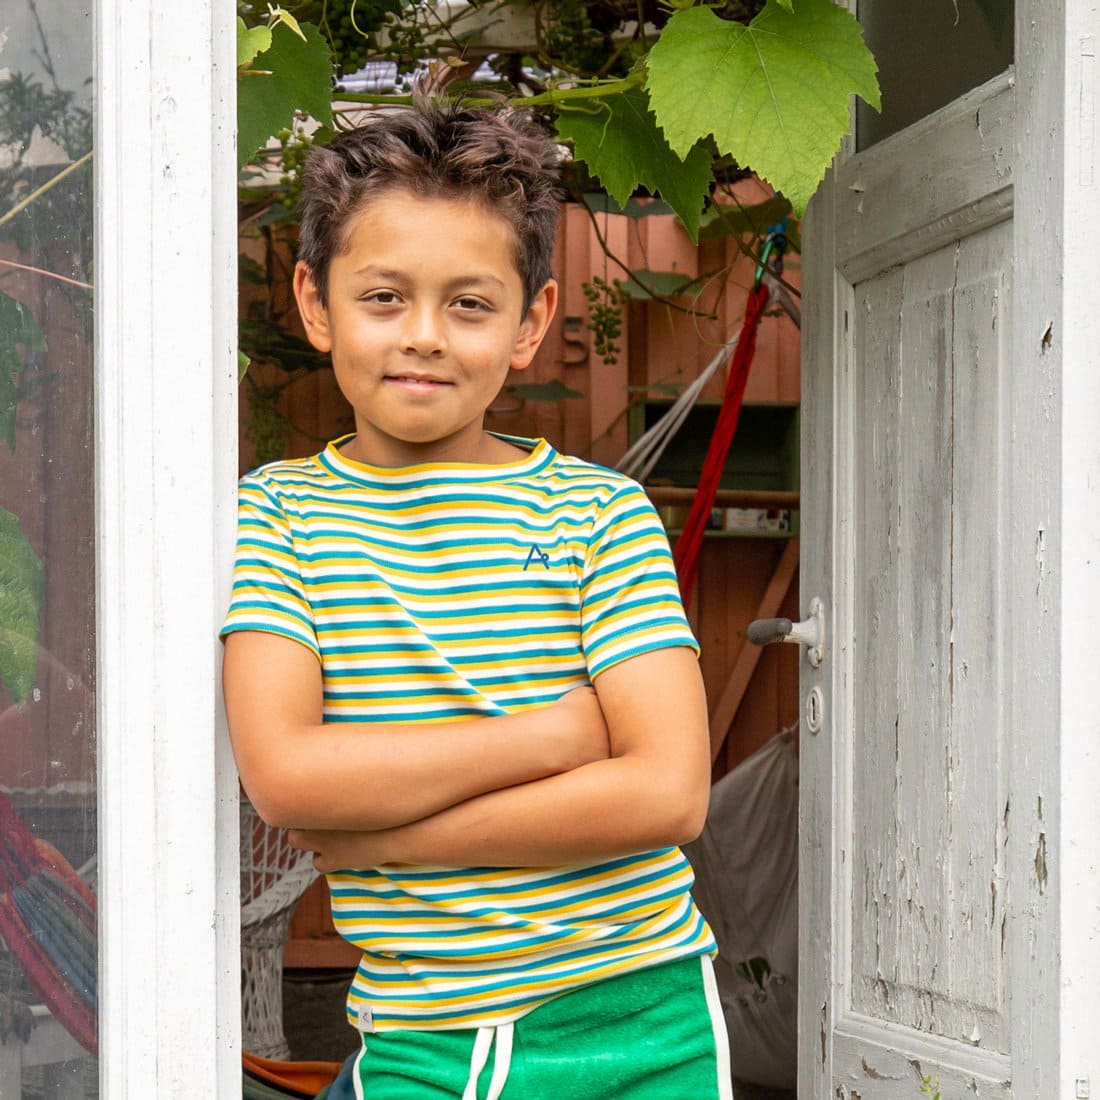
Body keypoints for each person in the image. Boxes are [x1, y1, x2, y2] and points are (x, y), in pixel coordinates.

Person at [221, 94, 730, 1100]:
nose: (424, 335)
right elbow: (288, 777)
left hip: (640, 1017)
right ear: (315, 303)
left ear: (530, 321)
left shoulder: (597, 514)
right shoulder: (276, 513)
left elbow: (666, 791)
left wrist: (388, 836)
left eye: (468, 302)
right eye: (381, 297)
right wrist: (551, 737)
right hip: (419, 1027)